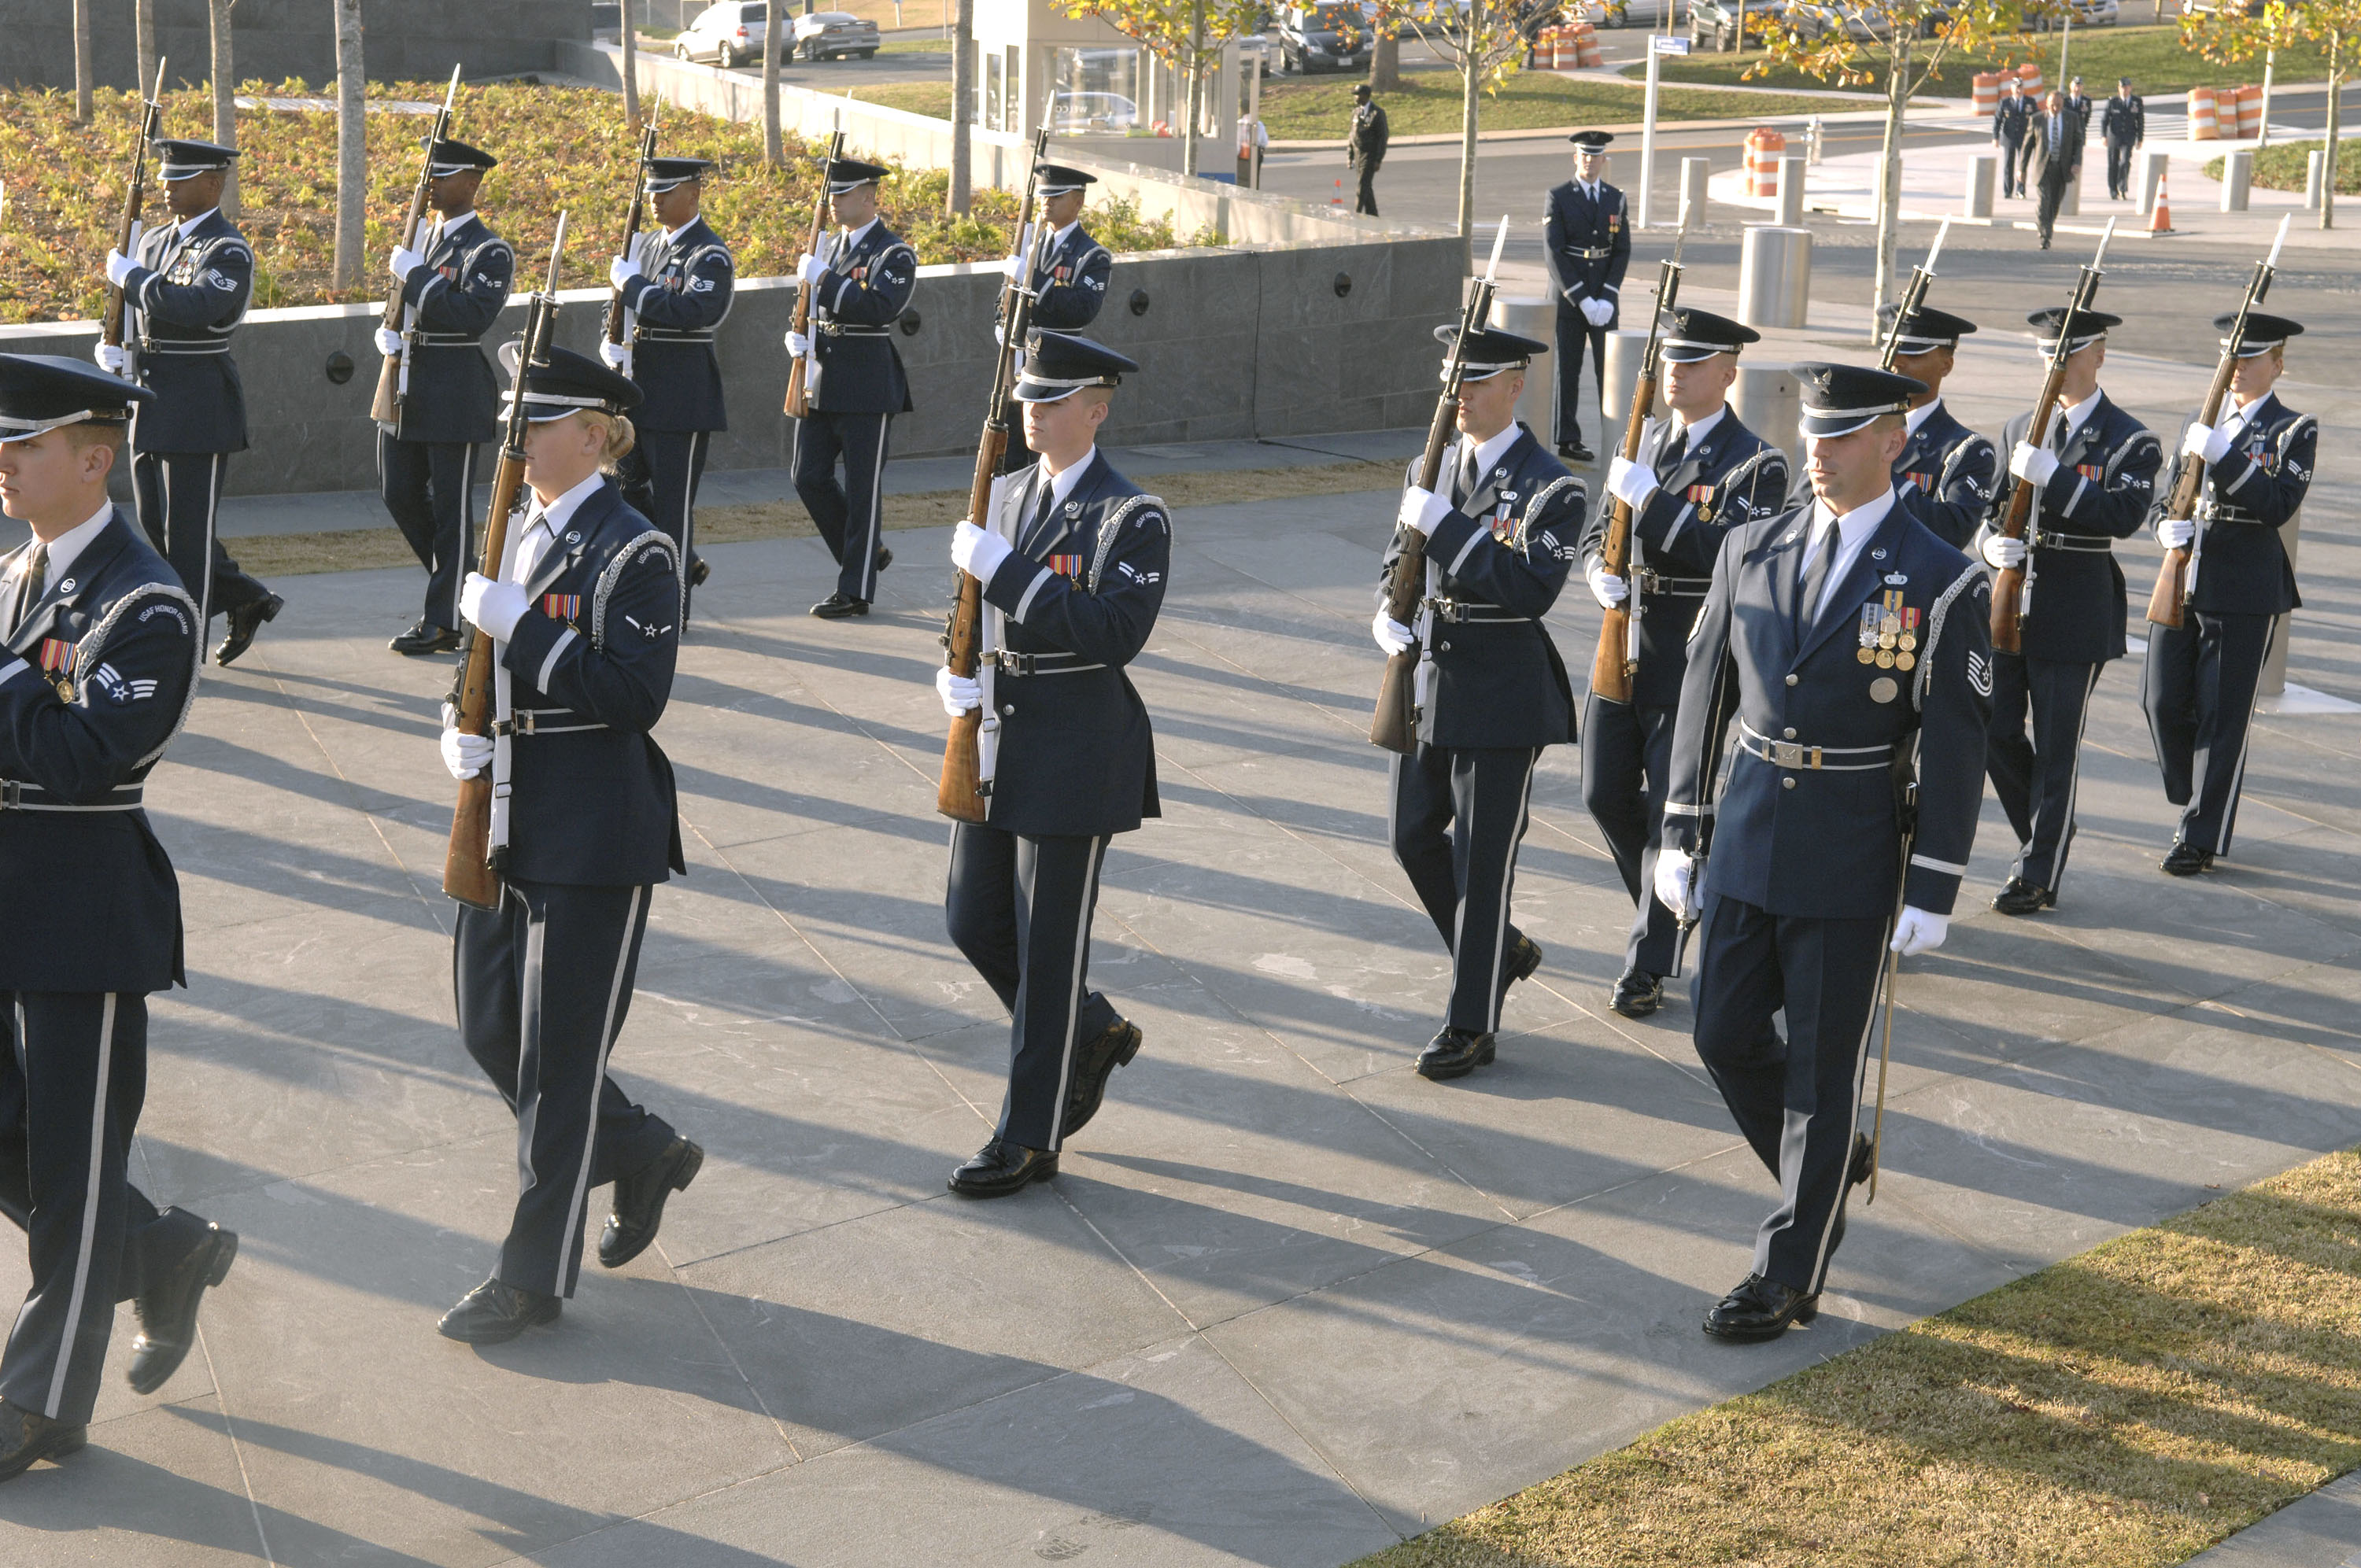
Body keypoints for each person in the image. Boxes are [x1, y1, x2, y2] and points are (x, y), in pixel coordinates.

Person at [1657, 361, 1991, 1344]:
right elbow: (1704, 691)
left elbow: (1959, 740)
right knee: (1720, 1032)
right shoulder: (1749, 549)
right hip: (1749, 829)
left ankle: (1788, 1272)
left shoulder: (1942, 576)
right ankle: (1824, 1173)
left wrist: (1935, 880)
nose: (1819, 449)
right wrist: (1681, 825)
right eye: (1812, 430)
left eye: (1843, 435)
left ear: (1893, 441)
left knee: (1820, 1075)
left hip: (1851, 850)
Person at [0, 353, 240, 1476]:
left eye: (26, 446)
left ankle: (43, 1398)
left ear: (94, 460)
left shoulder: (146, 601)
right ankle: (163, 1252)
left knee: (75, 1161)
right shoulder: (20, 573)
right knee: (17, 1145)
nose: (3, 462)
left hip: (83, 906)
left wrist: (5, 688)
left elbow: (91, 754)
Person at [434, 346, 703, 1343]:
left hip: (597, 822)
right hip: (505, 812)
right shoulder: (510, 533)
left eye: (536, 420)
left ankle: (531, 1276)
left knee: (558, 1061)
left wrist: (521, 628)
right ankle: (639, 1148)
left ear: (595, 435)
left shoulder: (636, 550)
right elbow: (477, 664)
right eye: (514, 417)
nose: (517, 435)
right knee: (488, 1027)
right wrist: (455, 722)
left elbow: (636, 695)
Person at [933, 332, 1167, 1197]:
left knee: (1047, 948)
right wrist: (954, 668)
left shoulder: (1130, 514)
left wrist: (1011, 574)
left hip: (1078, 746)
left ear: (1097, 410)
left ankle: (1028, 1136)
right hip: (997, 735)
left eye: (1055, 399)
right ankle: (1090, 1029)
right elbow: (964, 603)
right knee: (971, 918)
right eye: (1030, 396)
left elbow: (1115, 633)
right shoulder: (1001, 493)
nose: (1034, 409)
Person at [1373, 324, 1585, 1080]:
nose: (1459, 395)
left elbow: (1530, 588)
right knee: (1410, 837)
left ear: (1515, 386)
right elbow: (1400, 555)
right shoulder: (1429, 465)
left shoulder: (1553, 486)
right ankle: (1498, 948)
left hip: (1502, 690)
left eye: (1477, 380)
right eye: (1454, 380)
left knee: (1484, 860)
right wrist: (1387, 607)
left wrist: (1449, 529)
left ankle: (1472, 1022)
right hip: (1427, 680)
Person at [1581, 308, 1788, 1019]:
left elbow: (1731, 551)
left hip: (1694, 648)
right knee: (1603, 790)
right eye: (1672, 358)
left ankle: (1647, 961)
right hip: (1625, 641)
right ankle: (1668, 900)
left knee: (1676, 809)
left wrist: (1656, 504)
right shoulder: (1640, 441)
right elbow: (1597, 530)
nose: (1677, 370)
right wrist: (1594, 570)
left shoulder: (1758, 463)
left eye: (1694, 362)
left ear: (1728, 375)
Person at [1975, 307, 2161, 915]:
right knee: (1995, 729)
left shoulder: (2130, 439)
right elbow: (1991, 507)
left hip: (2076, 606)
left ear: (2098, 354)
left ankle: (2038, 869)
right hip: (2009, 602)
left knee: (2057, 746)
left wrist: (2056, 476)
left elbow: (2123, 518)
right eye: (2044, 355)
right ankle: (2048, 829)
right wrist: (1986, 543)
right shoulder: (2017, 428)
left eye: (2065, 354)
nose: (2053, 367)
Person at [97, 138, 283, 667]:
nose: (166, 186)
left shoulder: (227, 249)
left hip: (199, 401)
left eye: (178, 178)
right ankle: (245, 596)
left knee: (188, 537)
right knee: (158, 526)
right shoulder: (154, 240)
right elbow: (131, 307)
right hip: (150, 397)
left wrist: (131, 277)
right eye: (164, 178)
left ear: (213, 183)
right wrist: (114, 343)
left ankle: (187, 647)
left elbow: (197, 306)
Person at [2141, 312, 2314, 876]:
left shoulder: (2295, 428)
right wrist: (2163, 526)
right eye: (2230, 358)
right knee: (2162, 699)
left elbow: (2277, 503)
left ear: (2277, 364)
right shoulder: (2201, 418)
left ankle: (2200, 833)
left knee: (2223, 716)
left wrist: (2226, 454)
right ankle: (2195, 793)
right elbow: (2167, 496)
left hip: (2246, 585)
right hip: (2184, 577)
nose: (2236, 369)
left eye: (2250, 358)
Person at [375, 138, 514, 657]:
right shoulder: (420, 238)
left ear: (473, 182)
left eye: (445, 173)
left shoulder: (487, 249)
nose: (430, 182)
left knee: (453, 509)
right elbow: (400, 302)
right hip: (405, 383)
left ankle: (444, 621)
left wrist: (416, 276)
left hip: (454, 388)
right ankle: (461, 588)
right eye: (429, 172)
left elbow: (470, 315)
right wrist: (386, 331)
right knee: (397, 491)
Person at [606, 154, 735, 622]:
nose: (655, 200)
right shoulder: (649, 248)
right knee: (626, 490)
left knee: (674, 505)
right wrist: (612, 341)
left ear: (694, 192)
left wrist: (635, 287)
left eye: (666, 191)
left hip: (682, 396)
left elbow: (692, 312)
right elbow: (620, 305)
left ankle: (673, 607)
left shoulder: (709, 254)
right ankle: (677, 567)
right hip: (638, 390)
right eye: (652, 192)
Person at [789, 158, 915, 621]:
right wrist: (799, 335)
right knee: (807, 476)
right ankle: (865, 554)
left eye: (844, 194)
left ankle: (856, 589)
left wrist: (823, 278)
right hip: (823, 380)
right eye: (833, 194)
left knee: (863, 489)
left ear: (869, 196)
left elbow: (878, 307)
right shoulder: (832, 248)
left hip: (867, 384)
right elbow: (807, 305)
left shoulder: (893, 253)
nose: (835, 202)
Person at [999, 164, 1114, 472]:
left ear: (1078, 202)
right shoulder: (1029, 242)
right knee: (1007, 460)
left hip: (1056, 370)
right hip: (1017, 362)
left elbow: (1082, 308)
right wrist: (1003, 323)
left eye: (1057, 196)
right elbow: (1006, 300)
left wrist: (1033, 279)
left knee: (1049, 457)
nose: (1046, 202)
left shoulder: (1091, 255)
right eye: (1044, 196)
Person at [1878, 301, 2000, 550]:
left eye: (1914, 353)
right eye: (1892, 351)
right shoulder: (1851, 428)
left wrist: (1873, 472)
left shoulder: (1966, 450)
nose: (1898, 362)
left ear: (1946, 365)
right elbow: (1801, 506)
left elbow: (1953, 530)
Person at [1544, 131, 1631, 465]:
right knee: (1569, 370)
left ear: (1603, 160)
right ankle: (1568, 438)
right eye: (1585, 155)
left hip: (1604, 297)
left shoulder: (1615, 198)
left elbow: (1621, 250)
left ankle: (1617, 438)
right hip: (1570, 299)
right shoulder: (1559, 197)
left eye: (1596, 156)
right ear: (1575, 158)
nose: (1590, 161)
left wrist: (1607, 296)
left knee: (1609, 371)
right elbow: (1554, 253)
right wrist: (1582, 299)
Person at [2028, 89, 2085, 250]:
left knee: (2055, 202)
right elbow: (2028, 146)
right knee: (2043, 201)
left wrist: (2076, 162)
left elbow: (2078, 142)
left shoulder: (2071, 119)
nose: (2055, 109)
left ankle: (2047, 226)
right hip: (2043, 168)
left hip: (2061, 168)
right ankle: (2045, 235)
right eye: (2052, 105)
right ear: (2047, 104)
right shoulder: (2037, 120)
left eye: (2058, 105)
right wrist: (2022, 169)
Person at [2101, 78, 2146, 202]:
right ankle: (2113, 190)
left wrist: (2140, 138)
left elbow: (2140, 121)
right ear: (2119, 88)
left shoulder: (2136, 102)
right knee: (2113, 163)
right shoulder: (2113, 102)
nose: (2124, 90)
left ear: (2130, 88)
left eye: (2126, 87)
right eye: (2122, 87)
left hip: (2128, 137)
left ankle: (2122, 188)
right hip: (2114, 137)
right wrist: (2103, 136)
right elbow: (2104, 120)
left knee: (2125, 162)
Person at [1348, 83, 1389, 217]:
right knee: (1366, 186)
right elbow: (1351, 135)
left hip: (1370, 155)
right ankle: (1373, 216)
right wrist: (1350, 156)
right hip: (1358, 154)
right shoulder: (1355, 112)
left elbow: (1383, 137)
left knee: (1363, 184)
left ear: (1365, 96)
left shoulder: (1377, 113)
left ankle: (1356, 215)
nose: (1355, 97)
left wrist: (1378, 159)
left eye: (1357, 95)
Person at [1993, 79, 2033, 201]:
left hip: (2024, 139)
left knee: (2022, 165)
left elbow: (2035, 120)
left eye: (2021, 87)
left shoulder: (2030, 102)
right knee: (2008, 165)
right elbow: (1998, 120)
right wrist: (1995, 137)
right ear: (2012, 89)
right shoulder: (2005, 102)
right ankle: (2008, 190)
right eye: (2016, 88)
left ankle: (2020, 190)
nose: (2019, 90)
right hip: (2009, 138)